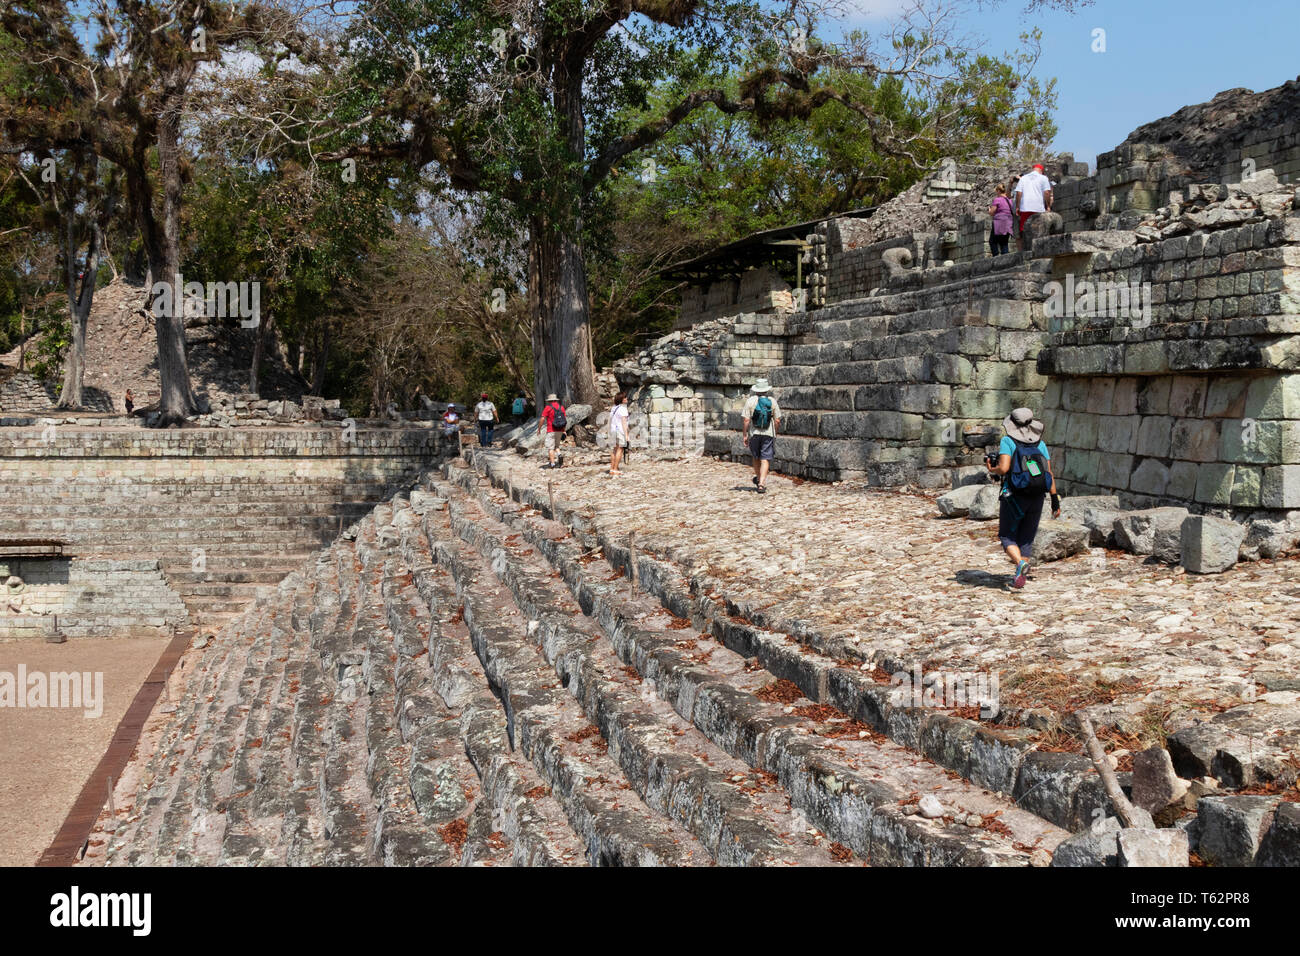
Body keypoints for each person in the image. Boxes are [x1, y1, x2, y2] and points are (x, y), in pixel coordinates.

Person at [986, 407, 1060, 589]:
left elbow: (1003, 468)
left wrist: (991, 469)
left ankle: (1020, 564)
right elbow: (1048, 473)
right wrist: (1055, 499)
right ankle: (1020, 575)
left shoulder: (1008, 441)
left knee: (1006, 535)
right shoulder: (1040, 444)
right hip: (1037, 495)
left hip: (1015, 495)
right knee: (1026, 537)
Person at [740, 378, 781, 494]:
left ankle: (758, 479)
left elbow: (746, 420)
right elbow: (777, 420)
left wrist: (744, 435)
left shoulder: (751, 401)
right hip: (768, 434)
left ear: (756, 390)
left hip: (754, 434)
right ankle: (762, 484)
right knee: (765, 458)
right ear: (766, 390)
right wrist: (775, 432)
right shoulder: (772, 401)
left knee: (756, 456)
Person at [1013, 163, 1053, 250]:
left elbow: (1019, 193)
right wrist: (1048, 206)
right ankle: (1037, 249)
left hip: (1025, 207)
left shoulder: (1023, 178)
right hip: (1038, 208)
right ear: (1041, 171)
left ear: (1033, 169)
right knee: (1039, 228)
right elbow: (1047, 193)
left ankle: (1026, 249)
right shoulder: (1043, 178)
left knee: (1023, 229)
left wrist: (1017, 206)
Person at [538, 393, 568, 468]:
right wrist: (564, 430)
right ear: (556, 400)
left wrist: (539, 429)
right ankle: (559, 454)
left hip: (551, 430)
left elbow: (542, 418)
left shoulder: (548, 407)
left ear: (549, 401)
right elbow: (564, 419)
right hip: (560, 430)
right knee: (556, 446)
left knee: (550, 448)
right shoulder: (561, 407)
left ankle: (552, 464)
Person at [988, 184, 1014, 256]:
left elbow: (992, 212)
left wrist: (989, 210)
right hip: (1008, 222)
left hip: (999, 222)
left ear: (998, 191)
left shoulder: (997, 200)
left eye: (996, 191)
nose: (996, 193)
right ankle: (1005, 259)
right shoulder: (1009, 201)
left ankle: (996, 257)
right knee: (1004, 242)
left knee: (992, 241)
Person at [608, 392, 629, 475]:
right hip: (620, 431)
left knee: (614, 450)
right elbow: (624, 423)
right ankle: (616, 469)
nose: (627, 399)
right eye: (625, 398)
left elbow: (610, 420)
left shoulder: (614, 408)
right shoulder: (623, 409)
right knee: (620, 450)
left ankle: (612, 468)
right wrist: (626, 435)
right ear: (622, 399)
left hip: (613, 430)